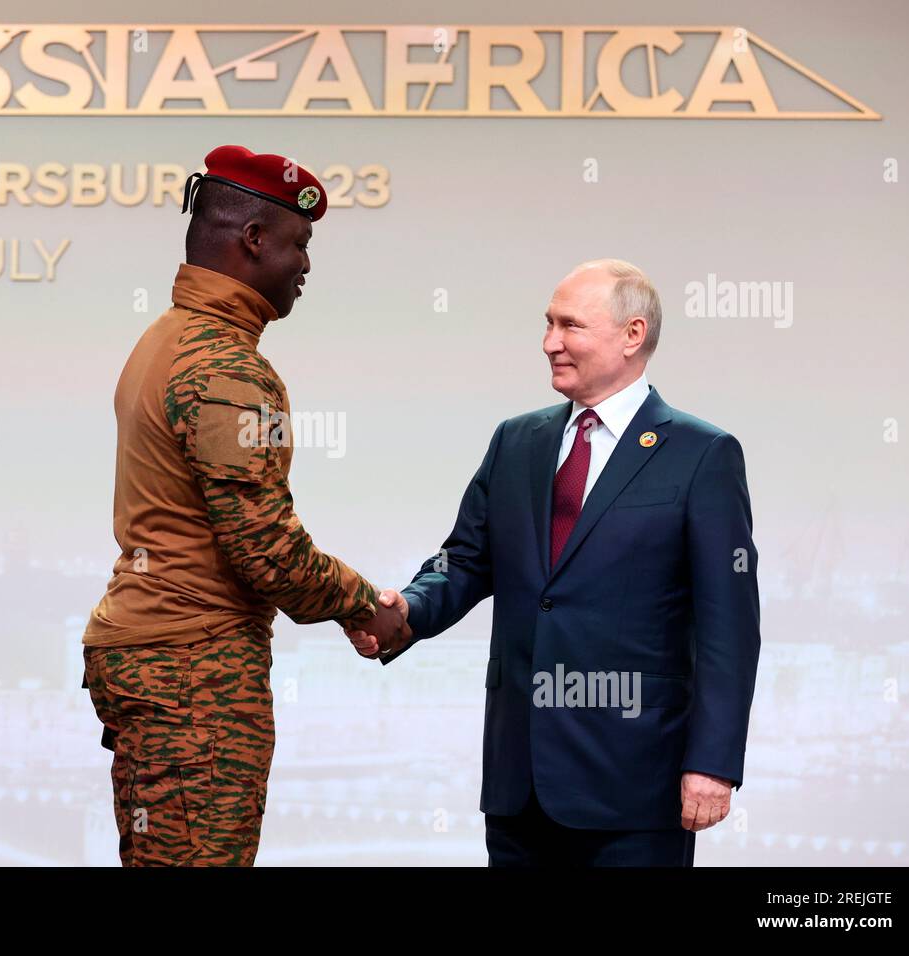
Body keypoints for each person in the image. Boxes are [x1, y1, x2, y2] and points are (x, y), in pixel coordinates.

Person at [348, 259, 760, 866]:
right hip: (520, 787)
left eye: (570, 325)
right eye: (547, 324)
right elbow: (464, 561)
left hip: (636, 789)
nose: (549, 343)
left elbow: (730, 626)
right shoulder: (517, 441)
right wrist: (406, 610)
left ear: (632, 334)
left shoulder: (703, 455)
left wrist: (713, 764)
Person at [83, 144, 407, 866]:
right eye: (300, 242)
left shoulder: (167, 339)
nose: (306, 265)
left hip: (154, 659)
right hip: (193, 673)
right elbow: (266, 551)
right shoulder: (227, 367)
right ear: (253, 239)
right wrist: (363, 603)